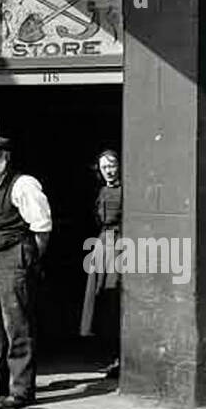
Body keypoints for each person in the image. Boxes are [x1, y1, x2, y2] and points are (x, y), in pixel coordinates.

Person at [0, 135, 52, 409]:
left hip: (14, 255)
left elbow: (41, 228)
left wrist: (28, 258)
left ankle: (22, 391)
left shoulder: (23, 184)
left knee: (16, 322)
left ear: (5, 158)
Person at [80, 148, 122, 377]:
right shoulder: (99, 191)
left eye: (112, 165)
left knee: (116, 297)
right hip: (102, 245)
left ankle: (121, 357)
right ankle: (112, 356)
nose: (108, 171)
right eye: (104, 167)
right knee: (102, 300)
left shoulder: (126, 190)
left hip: (120, 245)